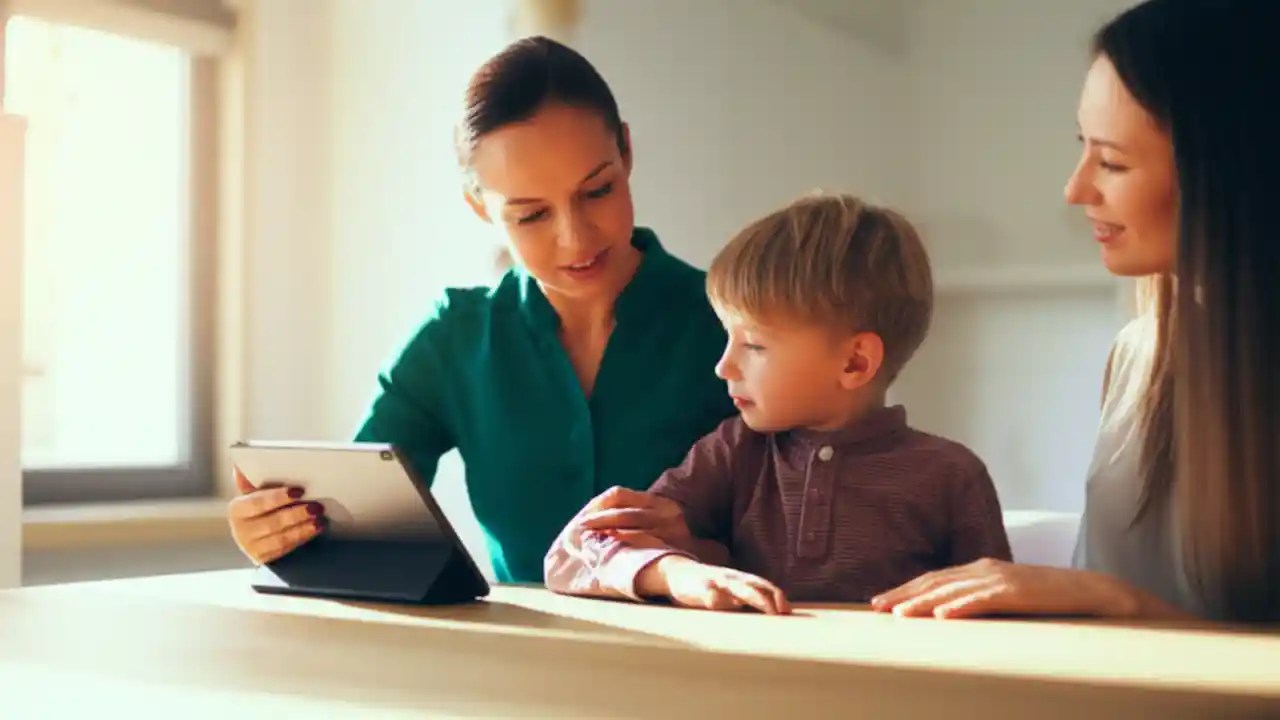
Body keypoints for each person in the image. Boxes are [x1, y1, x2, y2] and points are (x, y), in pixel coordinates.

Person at [225, 36, 735, 583]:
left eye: (597, 191)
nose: (574, 238)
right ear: (479, 206)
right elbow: (354, 519)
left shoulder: (732, 324)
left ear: (627, 152)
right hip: (512, 660)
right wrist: (283, 532)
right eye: (532, 215)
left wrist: (706, 552)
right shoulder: (455, 341)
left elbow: (825, 538)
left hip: (711, 657)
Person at [872, 0, 1280, 623]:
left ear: (1229, 177)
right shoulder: (1138, 355)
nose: (1075, 189)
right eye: (1083, 148)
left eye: (1113, 161)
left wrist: (1116, 602)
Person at [543, 194, 1011, 613]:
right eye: (729, 339)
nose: (723, 366)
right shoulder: (731, 454)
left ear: (855, 362)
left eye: (755, 345)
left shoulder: (952, 478)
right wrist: (676, 573)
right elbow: (573, 553)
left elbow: (1008, 637)